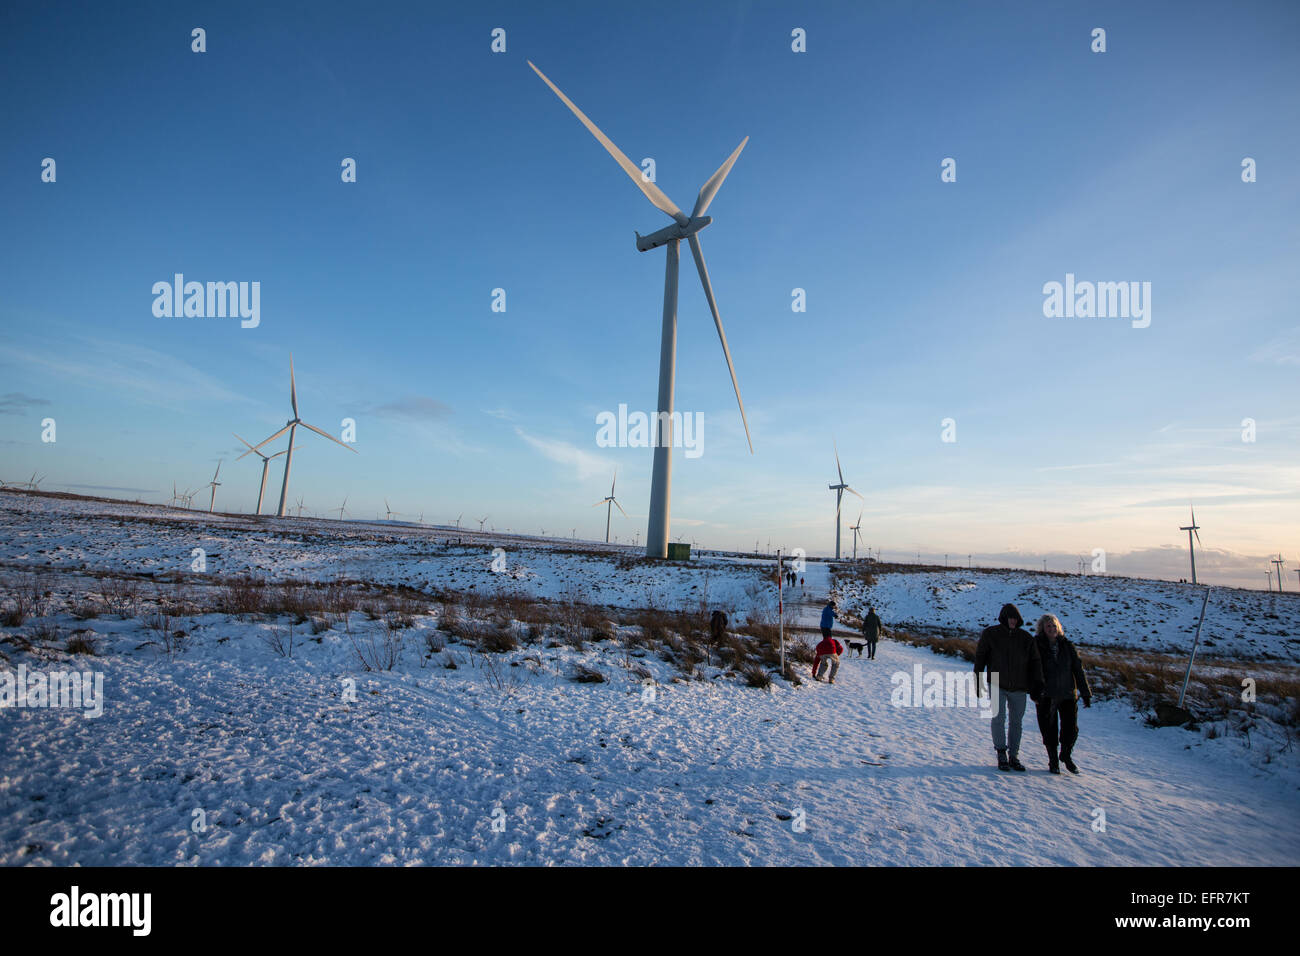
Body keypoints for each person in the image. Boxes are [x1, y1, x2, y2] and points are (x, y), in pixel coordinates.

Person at [973, 603, 1044, 772]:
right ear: (1003, 618)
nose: (1012, 621)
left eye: (1015, 618)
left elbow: (1035, 663)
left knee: (1016, 722)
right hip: (997, 682)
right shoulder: (991, 634)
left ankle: (1014, 755)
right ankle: (1001, 752)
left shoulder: (1026, 638)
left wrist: (1037, 685)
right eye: (1010, 617)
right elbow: (980, 657)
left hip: (1020, 685)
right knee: (998, 718)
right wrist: (978, 681)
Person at [1032, 614, 1091, 774]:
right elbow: (1031, 670)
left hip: (1067, 694)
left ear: (1059, 627)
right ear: (1042, 629)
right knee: (1048, 728)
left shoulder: (1068, 646)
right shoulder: (1036, 645)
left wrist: (1085, 692)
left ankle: (1066, 755)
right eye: (1048, 626)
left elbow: (1078, 670)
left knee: (1071, 729)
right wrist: (1034, 692)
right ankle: (1053, 760)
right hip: (1046, 694)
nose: (1051, 629)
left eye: (1054, 626)